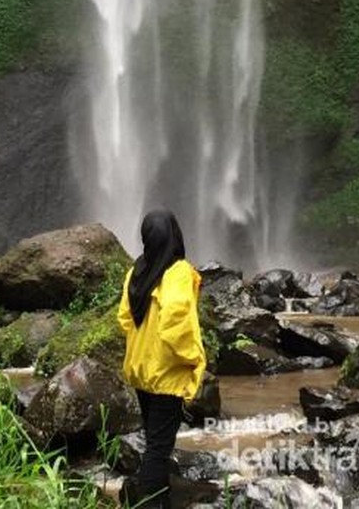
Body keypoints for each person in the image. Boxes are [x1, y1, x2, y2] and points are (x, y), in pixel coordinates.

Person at [117, 210, 206, 509]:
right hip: (167, 374)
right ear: (174, 235)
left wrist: (145, 342)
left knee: (154, 439)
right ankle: (151, 502)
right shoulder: (178, 271)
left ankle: (160, 498)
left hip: (141, 371)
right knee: (159, 446)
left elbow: (124, 319)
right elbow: (175, 322)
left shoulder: (136, 271)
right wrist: (193, 359)